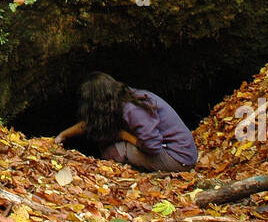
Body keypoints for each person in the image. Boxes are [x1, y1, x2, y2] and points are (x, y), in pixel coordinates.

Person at [54, 73, 198, 172]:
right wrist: (62, 135)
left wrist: (124, 135)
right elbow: (93, 123)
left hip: (179, 158)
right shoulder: (120, 99)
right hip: (179, 152)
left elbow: (153, 146)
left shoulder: (133, 109)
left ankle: (135, 171)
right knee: (108, 137)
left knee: (113, 150)